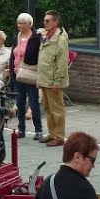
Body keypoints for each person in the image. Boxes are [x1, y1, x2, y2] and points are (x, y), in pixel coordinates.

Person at [37, 10, 70, 147]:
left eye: (48, 21)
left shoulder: (60, 39)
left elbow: (62, 62)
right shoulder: (46, 35)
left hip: (54, 80)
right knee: (48, 109)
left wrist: (57, 82)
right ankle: (51, 133)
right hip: (45, 79)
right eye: (44, 20)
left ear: (56, 22)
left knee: (57, 110)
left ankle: (59, 136)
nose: (45, 23)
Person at [12, 13, 43, 141]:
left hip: (30, 75)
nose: (19, 25)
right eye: (18, 23)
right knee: (19, 102)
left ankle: (38, 130)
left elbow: (39, 56)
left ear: (29, 24)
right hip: (18, 75)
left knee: (33, 103)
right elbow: (13, 55)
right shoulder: (17, 36)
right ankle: (21, 129)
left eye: (22, 23)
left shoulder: (36, 38)